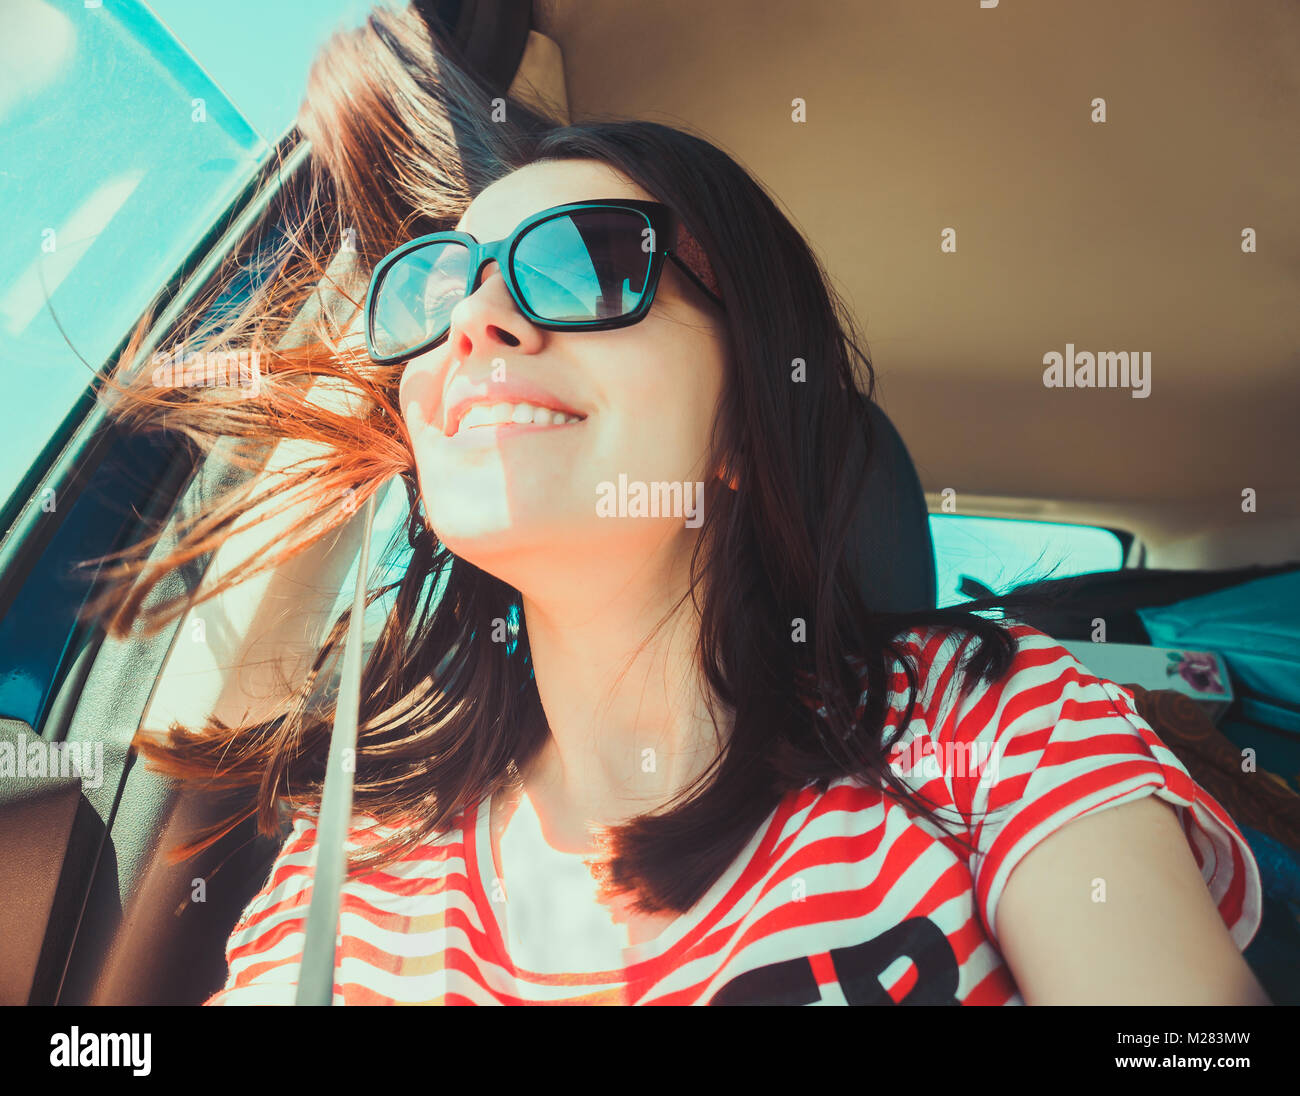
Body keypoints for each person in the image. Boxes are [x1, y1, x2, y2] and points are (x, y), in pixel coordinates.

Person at [96, 6, 1267, 1005]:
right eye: (436, 286)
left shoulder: (982, 720)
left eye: (590, 264)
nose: (474, 324)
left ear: (743, 426)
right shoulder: (351, 867)